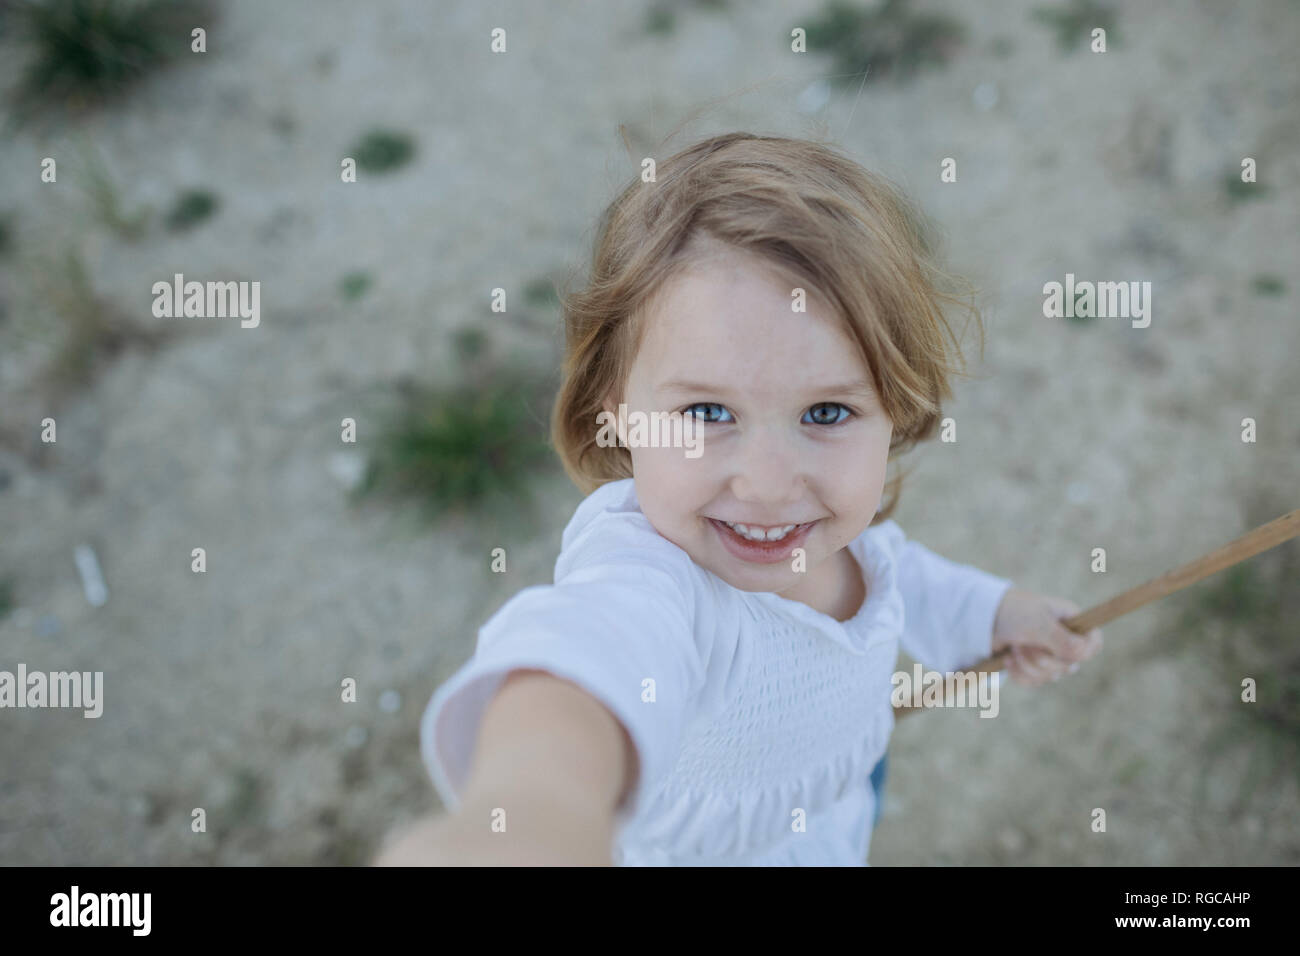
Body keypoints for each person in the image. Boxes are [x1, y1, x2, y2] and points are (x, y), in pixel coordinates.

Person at [374, 132, 1103, 866]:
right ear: (614, 404)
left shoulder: (842, 535)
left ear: (899, 411)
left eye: (825, 414)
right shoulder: (654, 577)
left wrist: (996, 613)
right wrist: (534, 813)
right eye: (708, 413)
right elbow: (587, 662)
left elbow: (902, 580)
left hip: (837, 803)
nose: (767, 484)